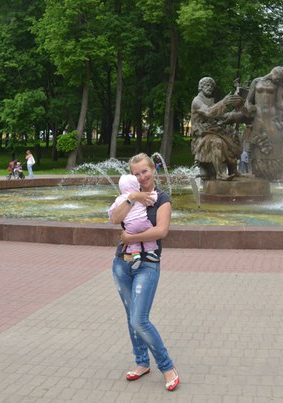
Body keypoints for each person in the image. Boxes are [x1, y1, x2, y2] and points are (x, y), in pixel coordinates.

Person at [108, 153, 179, 392]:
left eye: (145, 171)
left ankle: (167, 367)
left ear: (153, 170)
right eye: (136, 173)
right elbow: (114, 218)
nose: (141, 177)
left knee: (139, 319)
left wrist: (132, 238)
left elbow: (161, 231)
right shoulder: (128, 195)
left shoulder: (162, 199)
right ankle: (141, 362)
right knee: (131, 317)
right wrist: (133, 197)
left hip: (148, 265)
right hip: (121, 264)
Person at [190, 76, 243, 180]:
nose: (210, 87)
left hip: (212, 130)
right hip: (202, 133)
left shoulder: (210, 101)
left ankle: (233, 170)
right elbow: (208, 112)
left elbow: (220, 115)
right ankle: (220, 173)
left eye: (211, 86)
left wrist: (237, 111)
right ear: (201, 87)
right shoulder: (197, 101)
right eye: (207, 85)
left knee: (233, 136)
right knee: (217, 142)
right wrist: (223, 102)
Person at [109, 174, 160, 269]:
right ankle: (150, 252)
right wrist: (154, 194)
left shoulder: (119, 199)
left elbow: (112, 213)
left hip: (130, 226)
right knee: (149, 233)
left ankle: (136, 257)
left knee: (132, 242)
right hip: (143, 222)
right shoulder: (141, 196)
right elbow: (153, 199)